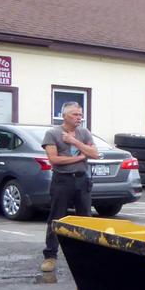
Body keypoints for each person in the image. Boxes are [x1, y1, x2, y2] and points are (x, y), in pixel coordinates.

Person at [40, 102, 100, 272]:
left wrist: (74, 141)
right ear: (64, 116)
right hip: (62, 180)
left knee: (85, 219)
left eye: (80, 115)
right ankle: (50, 256)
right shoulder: (52, 134)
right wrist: (81, 157)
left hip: (82, 179)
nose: (79, 118)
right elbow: (55, 159)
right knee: (57, 217)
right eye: (75, 114)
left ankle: (87, 256)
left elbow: (95, 154)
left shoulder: (84, 133)